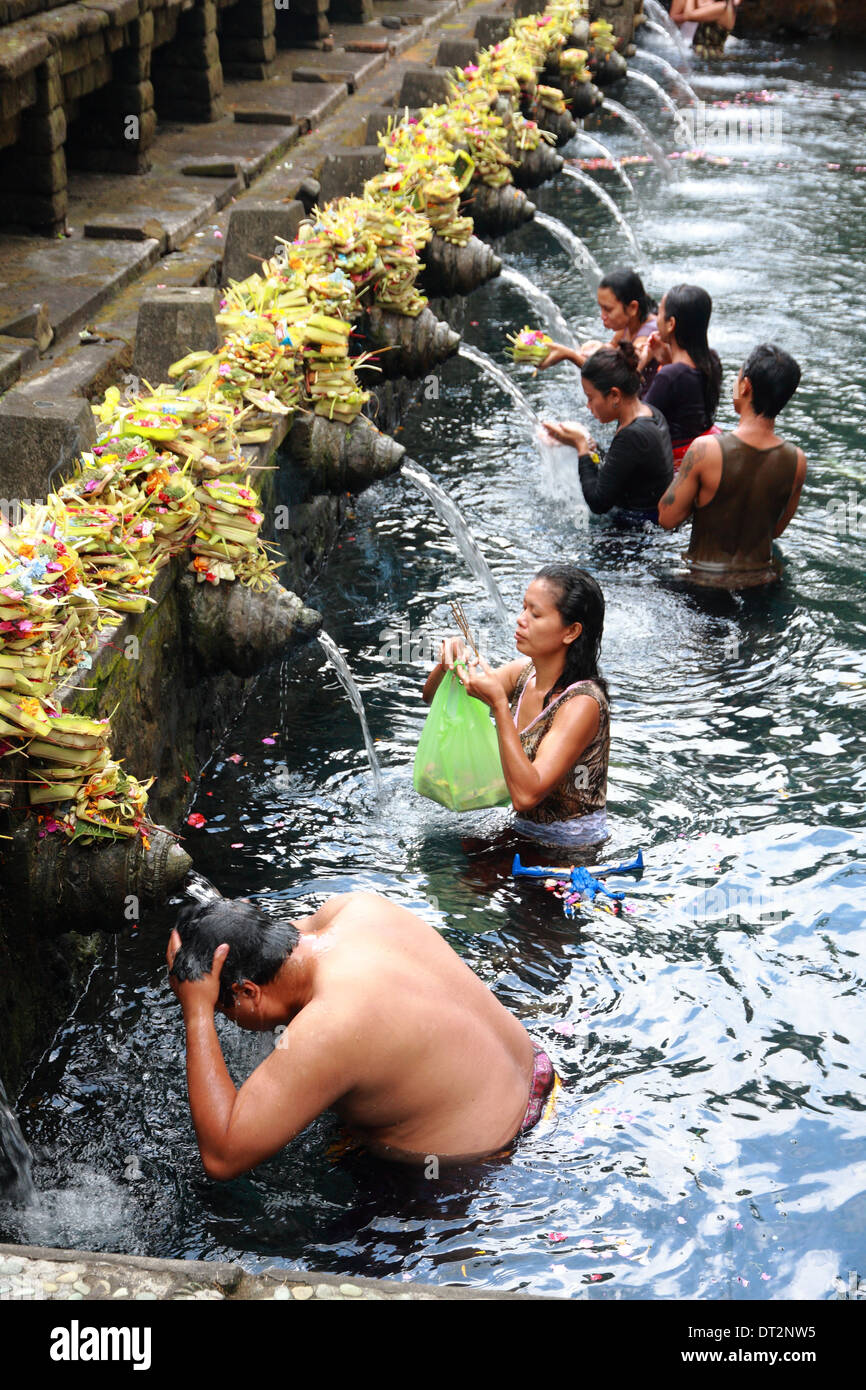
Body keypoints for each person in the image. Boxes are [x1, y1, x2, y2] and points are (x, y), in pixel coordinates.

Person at [167, 891, 558, 1175]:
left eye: (222, 1009)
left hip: (475, 1166)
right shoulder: (357, 908)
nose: (223, 1018)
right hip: (542, 1079)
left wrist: (196, 1012)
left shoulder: (329, 1026)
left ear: (247, 993)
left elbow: (222, 1157)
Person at [423, 563, 610, 846]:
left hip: (570, 845)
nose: (521, 620)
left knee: (463, 875)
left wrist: (499, 705)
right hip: (522, 829)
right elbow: (432, 697)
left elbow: (526, 796)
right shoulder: (523, 674)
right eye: (523, 608)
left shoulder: (582, 703)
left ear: (571, 631)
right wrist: (448, 663)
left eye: (535, 614)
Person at [657, 342, 806, 587]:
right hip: (763, 583)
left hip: (704, 583)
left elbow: (667, 517)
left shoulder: (706, 449)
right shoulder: (797, 460)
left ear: (745, 386)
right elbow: (775, 530)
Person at [543, 342, 674, 523]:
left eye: (590, 398)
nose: (588, 406)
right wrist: (589, 446)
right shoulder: (649, 412)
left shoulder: (632, 435)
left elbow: (598, 503)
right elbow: (620, 466)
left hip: (637, 531)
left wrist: (582, 446)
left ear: (614, 395)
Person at [640, 283, 722, 467]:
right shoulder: (713, 360)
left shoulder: (671, 375)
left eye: (659, 313)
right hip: (700, 452)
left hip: (672, 464)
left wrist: (642, 364)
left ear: (671, 324)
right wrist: (668, 362)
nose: (656, 319)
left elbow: (636, 423)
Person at [539, 268, 658, 373]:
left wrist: (569, 355)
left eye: (608, 309)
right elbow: (613, 346)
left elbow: (621, 377)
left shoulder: (648, 337)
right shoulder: (629, 324)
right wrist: (600, 348)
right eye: (601, 308)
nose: (602, 316)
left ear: (632, 308)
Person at [671, 0, 742, 56]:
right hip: (708, 56)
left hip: (708, 57)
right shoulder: (725, 5)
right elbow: (702, 5)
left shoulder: (722, 7)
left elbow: (688, 16)